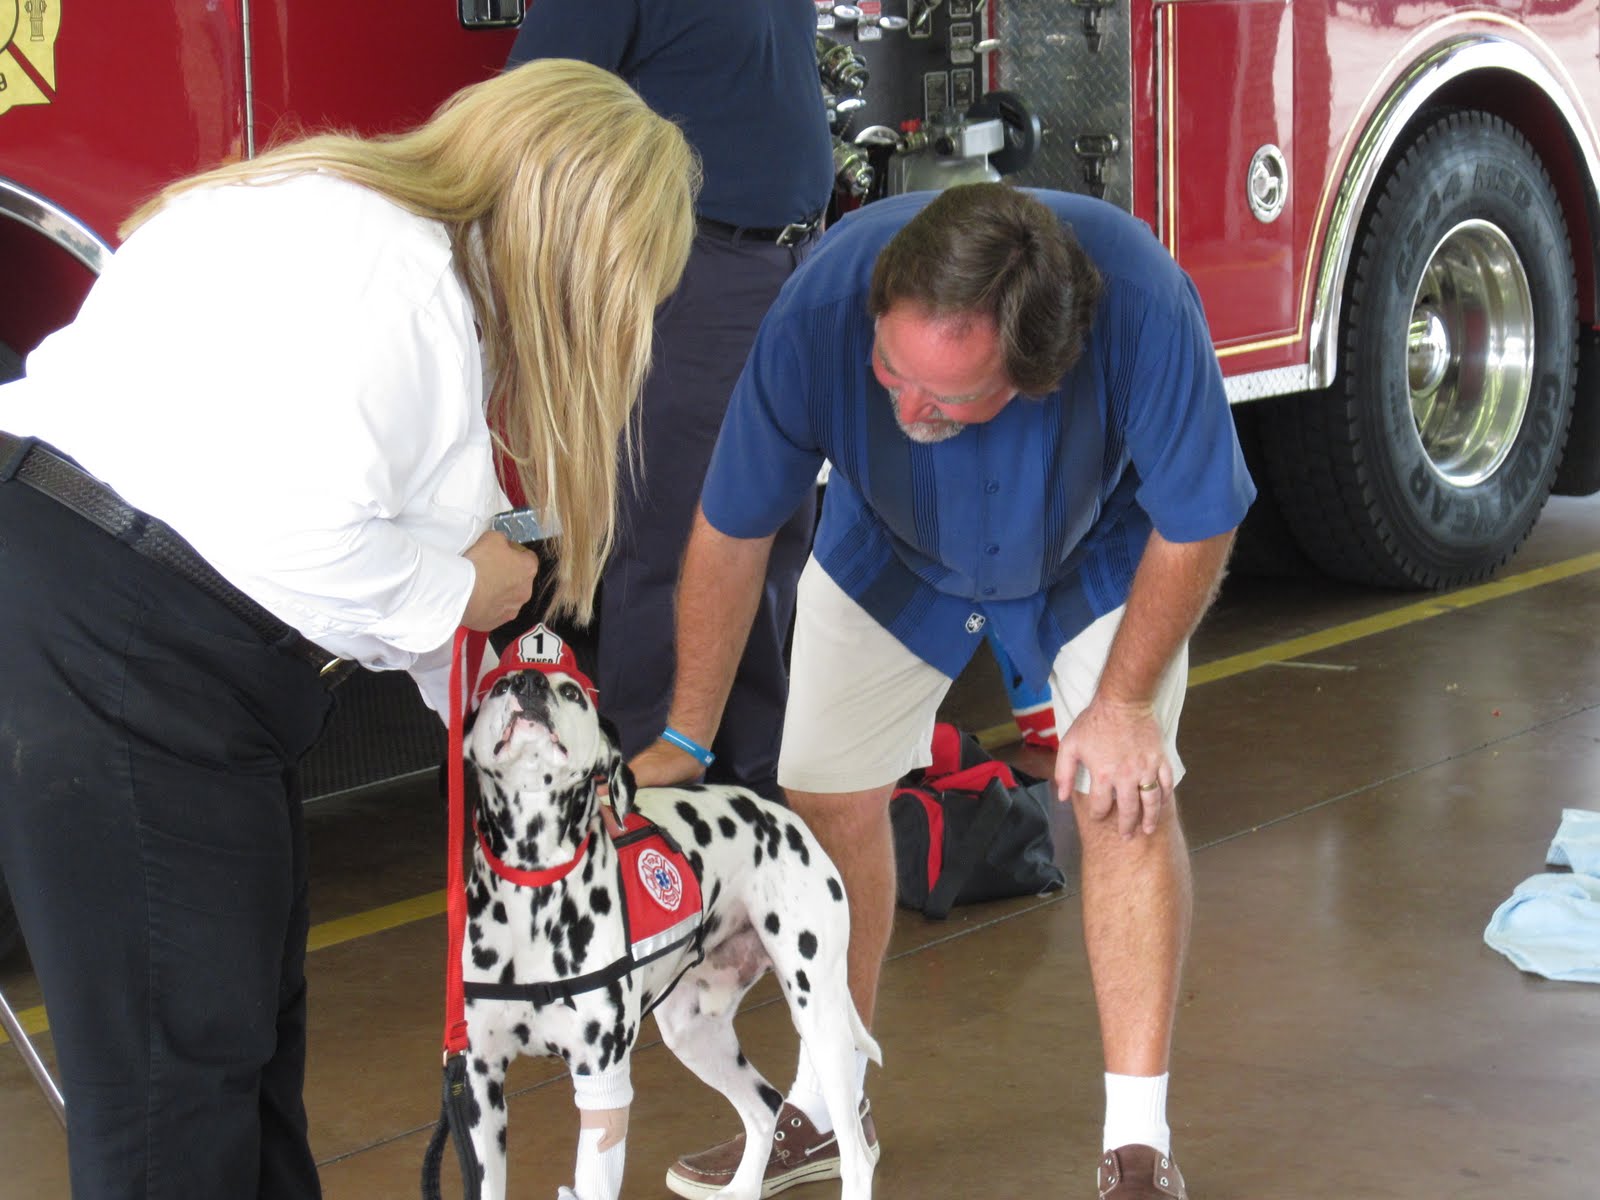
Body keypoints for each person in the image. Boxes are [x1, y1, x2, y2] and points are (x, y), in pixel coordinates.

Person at [0, 59, 695, 1200]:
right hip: (127, 637)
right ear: (581, 237)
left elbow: (370, 543)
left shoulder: (305, 211)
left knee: (239, 1038)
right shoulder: (408, 283)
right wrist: (462, 591)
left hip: (109, 610)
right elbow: (302, 535)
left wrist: (504, 735)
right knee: (174, 1086)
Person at [632, 182, 1256, 1200]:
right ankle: (828, 1108)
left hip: (1093, 551)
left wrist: (1126, 703)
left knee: (1122, 798)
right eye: (891, 374)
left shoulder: (1142, 301)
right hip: (891, 546)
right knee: (825, 797)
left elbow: (1198, 522)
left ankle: (1137, 1147)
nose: (910, 407)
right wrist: (687, 739)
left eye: (949, 398)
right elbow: (732, 531)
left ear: (1036, 371)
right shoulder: (817, 310)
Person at [504, 0, 834, 800]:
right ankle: (658, 818)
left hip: (792, 265)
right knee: (675, 548)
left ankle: (755, 799)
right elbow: (529, 110)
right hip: (690, 270)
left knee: (775, 541)